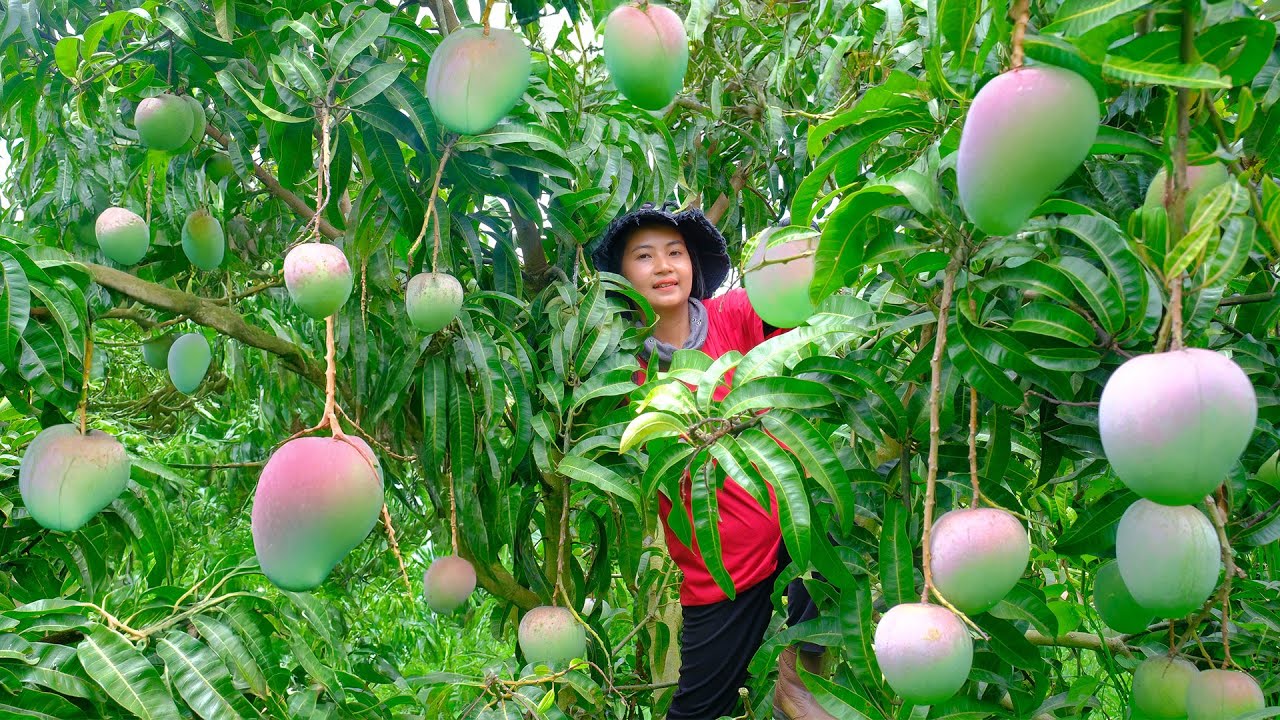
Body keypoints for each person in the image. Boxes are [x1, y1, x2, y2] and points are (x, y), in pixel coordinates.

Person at [589, 202, 837, 720]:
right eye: (644, 256)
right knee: (697, 711)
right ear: (622, 277)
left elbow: (799, 304)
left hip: (792, 525)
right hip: (722, 568)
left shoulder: (736, 313)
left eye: (674, 253)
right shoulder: (616, 368)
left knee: (841, 504)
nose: (663, 266)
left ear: (692, 265)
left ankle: (802, 668)